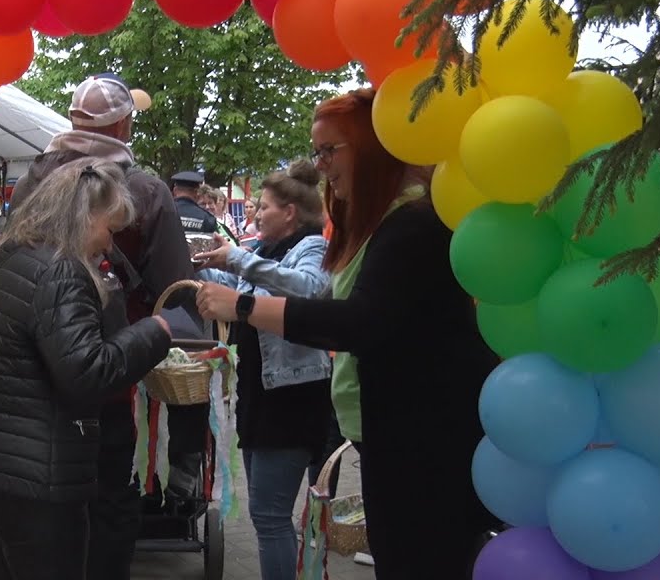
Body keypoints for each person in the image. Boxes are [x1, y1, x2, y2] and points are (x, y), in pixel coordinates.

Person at [195, 88, 499, 580]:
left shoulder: (414, 225)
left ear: (373, 148)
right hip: (396, 434)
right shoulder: (388, 222)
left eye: (329, 151)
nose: (320, 167)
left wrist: (246, 306)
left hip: (422, 442)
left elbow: (360, 321)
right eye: (317, 152)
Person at [0, 159, 172, 580]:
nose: (109, 244)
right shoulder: (61, 271)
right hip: (33, 482)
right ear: (83, 217)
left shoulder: (6, 257)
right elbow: (87, 374)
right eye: (109, 229)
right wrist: (155, 332)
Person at [10, 73, 194, 579]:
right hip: (109, 370)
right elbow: (176, 289)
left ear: (72, 119)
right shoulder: (144, 189)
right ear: (122, 123)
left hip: (32, 368)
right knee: (110, 499)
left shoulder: (32, 179)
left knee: (52, 499)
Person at [192, 160, 333, 580]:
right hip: (260, 395)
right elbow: (239, 290)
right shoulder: (263, 251)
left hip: (291, 399)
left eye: (263, 208)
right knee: (268, 517)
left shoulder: (312, 246)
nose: (255, 216)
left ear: (289, 212)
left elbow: (308, 288)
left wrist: (238, 259)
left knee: (270, 518)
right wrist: (202, 264)